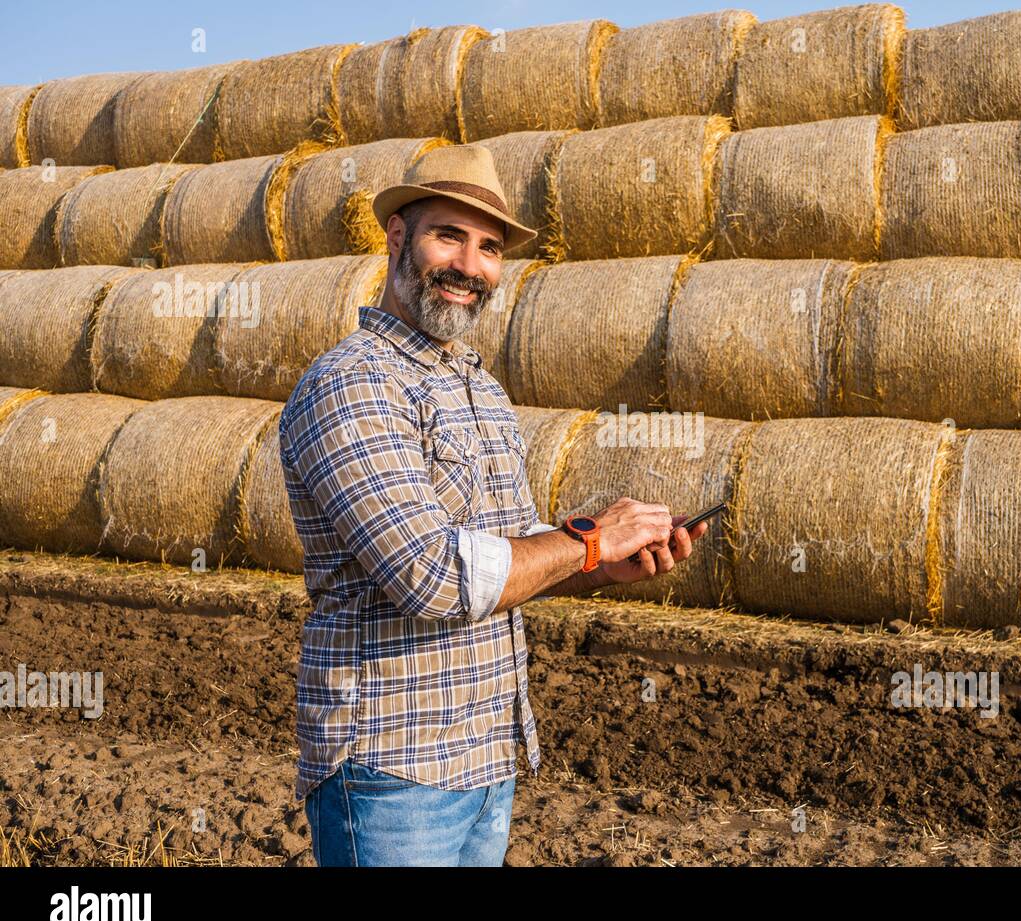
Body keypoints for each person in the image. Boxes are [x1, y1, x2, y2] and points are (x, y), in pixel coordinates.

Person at [277, 144, 710, 866]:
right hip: (393, 770)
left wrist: (603, 565)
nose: (470, 266)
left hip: (486, 760)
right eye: (449, 236)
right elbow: (434, 576)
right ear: (397, 237)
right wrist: (591, 540)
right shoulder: (352, 384)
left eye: (489, 248)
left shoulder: (479, 386)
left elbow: (509, 558)